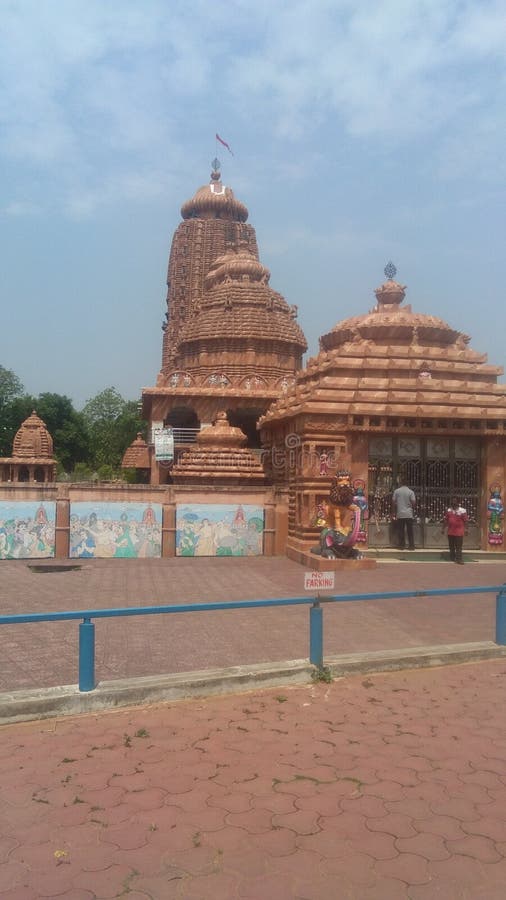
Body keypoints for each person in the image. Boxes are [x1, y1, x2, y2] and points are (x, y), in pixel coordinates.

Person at [442, 497, 468, 564]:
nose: (453, 504)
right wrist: (443, 528)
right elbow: (446, 520)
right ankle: (452, 557)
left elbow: (466, 521)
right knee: (451, 546)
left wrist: (466, 529)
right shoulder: (448, 510)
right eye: (452, 502)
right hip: (450, 532)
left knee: (458, 546)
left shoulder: (463, 510)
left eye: (455, 502)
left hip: (459, 532)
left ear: (458, 503)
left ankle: (459, 559)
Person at [391, 480, 416, 550]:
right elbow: (414, 502)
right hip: (409, 514)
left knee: (401, 530)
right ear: (407, 484)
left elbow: (393, 501)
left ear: (401, 483)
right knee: (410, 531)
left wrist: (393, 512)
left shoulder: (397, 491)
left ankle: (402, 545)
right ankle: (411, 546)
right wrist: (411, 508)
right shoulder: (411, 492)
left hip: (400, 514)